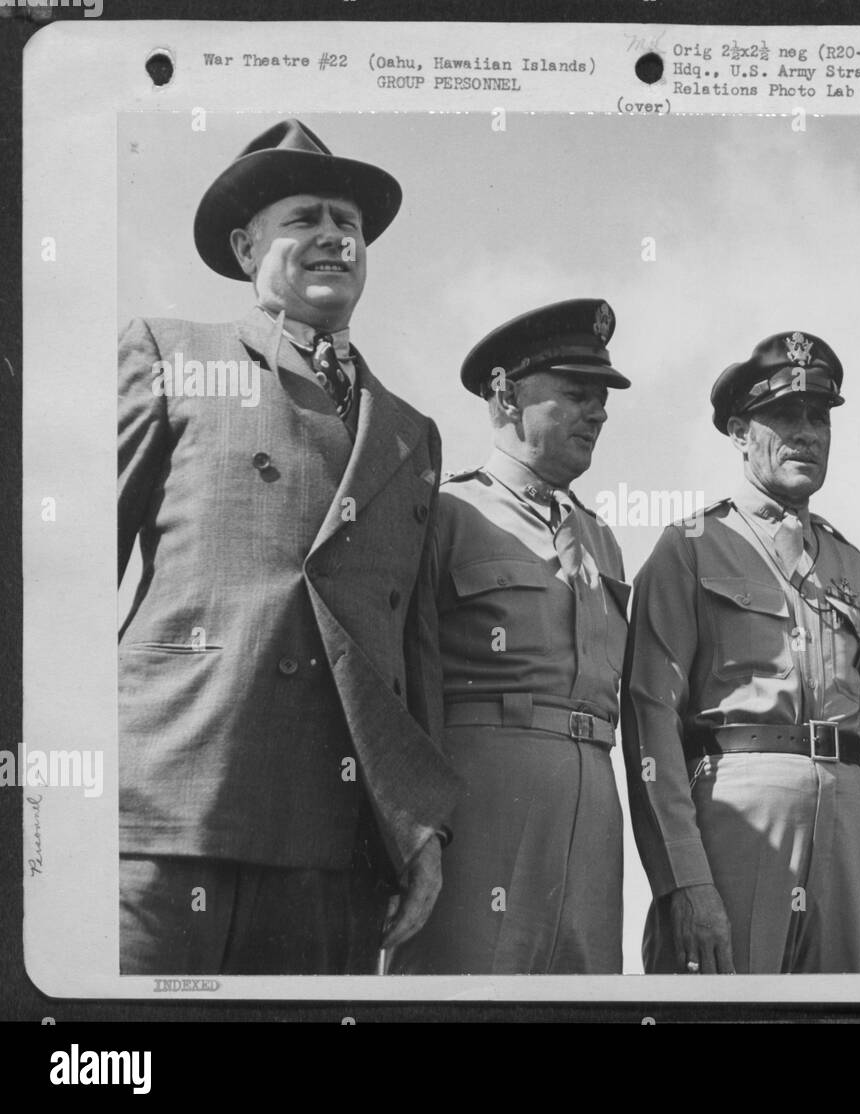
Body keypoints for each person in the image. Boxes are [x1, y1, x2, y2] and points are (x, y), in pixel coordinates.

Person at [117, 118, 460, 975]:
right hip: (173, 796)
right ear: (246, 248)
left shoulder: (413, 434)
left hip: (337, 832)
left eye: (348, 223)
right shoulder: (171, 355)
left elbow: (415, 657)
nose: (334, 238)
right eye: (304, 219)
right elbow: (62, 579)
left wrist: (423, 830)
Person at [622, 331, 860, 974]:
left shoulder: (850, 560)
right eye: (786, 416)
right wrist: (683, 880)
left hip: (847, 824)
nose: (808, 433)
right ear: (740, 431)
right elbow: (649, 720)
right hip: (738, 818)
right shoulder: (689, 544)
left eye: (819, 416)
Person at [391, 299, 631, 975]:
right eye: (577, 393)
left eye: (603, 400)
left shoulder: (603, 539)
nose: (598, 412)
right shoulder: (445, 513)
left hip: (592, 809)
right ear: (504, 394)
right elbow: (401, 683)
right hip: (481, 803)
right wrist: (415, 830)